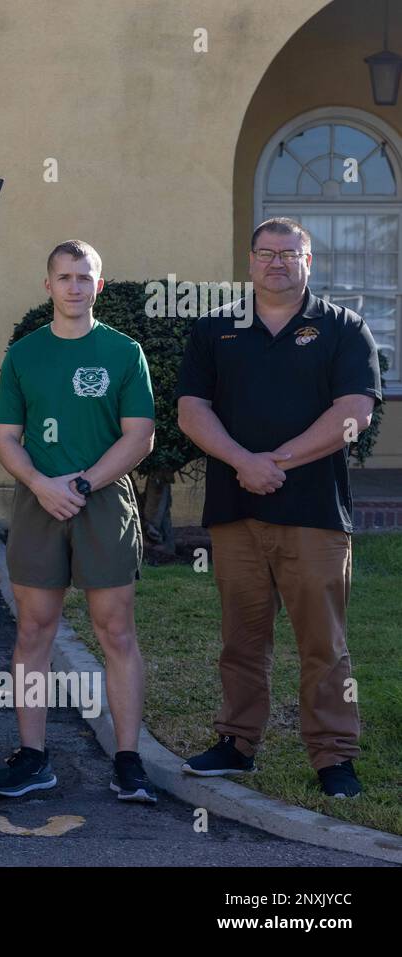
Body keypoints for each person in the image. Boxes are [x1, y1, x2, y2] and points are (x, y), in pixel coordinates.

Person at [175, 217, 381, 799]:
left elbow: (354, 413)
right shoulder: (215, 329)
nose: (277, 263)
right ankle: (236, 744)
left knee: (323, 644)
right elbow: (192, 409)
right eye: (266, 254)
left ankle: (334, 756)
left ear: (308, 262)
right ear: (250, 261)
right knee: (242, 638)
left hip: (314, 514)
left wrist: (276, 463)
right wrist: (244, 461)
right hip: (236, 511)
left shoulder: (343, 328)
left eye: (290, 255)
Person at [0, 240, 159, 803]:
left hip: (103, 502)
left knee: (115, 631)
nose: (73, 286)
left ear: (98, 286)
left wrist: (83, 484)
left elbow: (139, 435)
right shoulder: (24, 354)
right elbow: (6, 440)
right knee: (33, 630)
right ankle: (34, 757)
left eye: (84, 277)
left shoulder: (123, 351)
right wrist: (42, 485)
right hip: (39, 503)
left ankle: (129, 761)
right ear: (48, 286)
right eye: (63, 277)